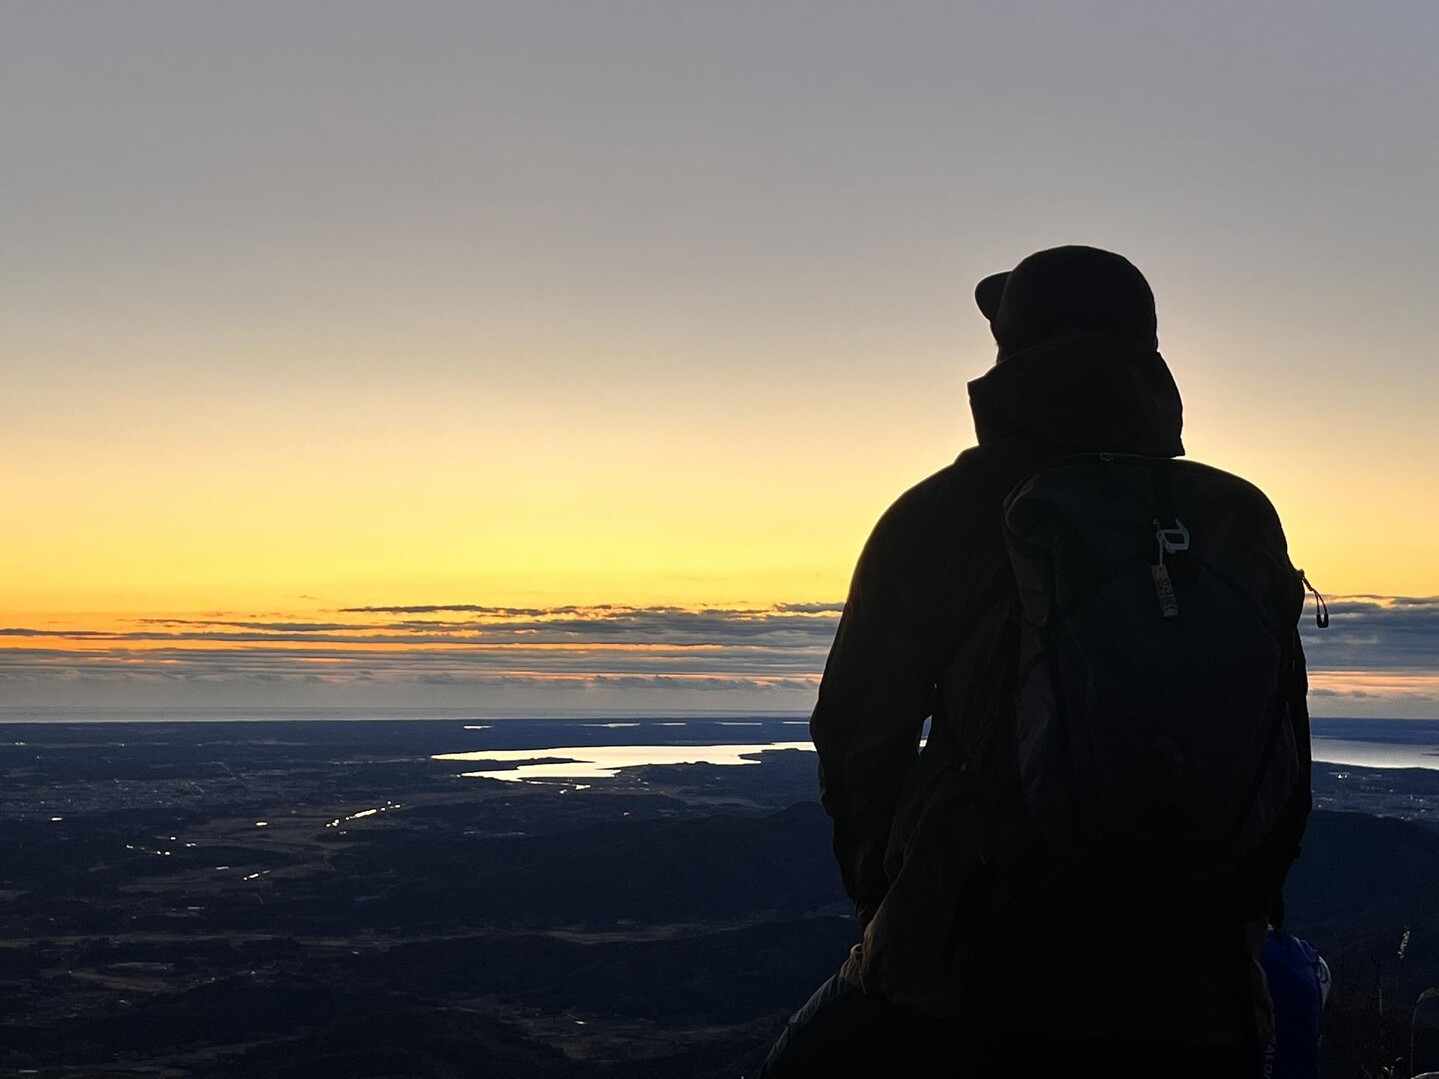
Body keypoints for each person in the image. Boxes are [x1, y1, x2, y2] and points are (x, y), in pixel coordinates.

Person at [760, 245, 1311, 1078]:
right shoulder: (1224, 522)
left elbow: (856, 741)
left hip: (972, 976)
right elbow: (1283, 752)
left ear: (1007, 357)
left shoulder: (940, 517)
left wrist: (893, 908)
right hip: (1198, 991)